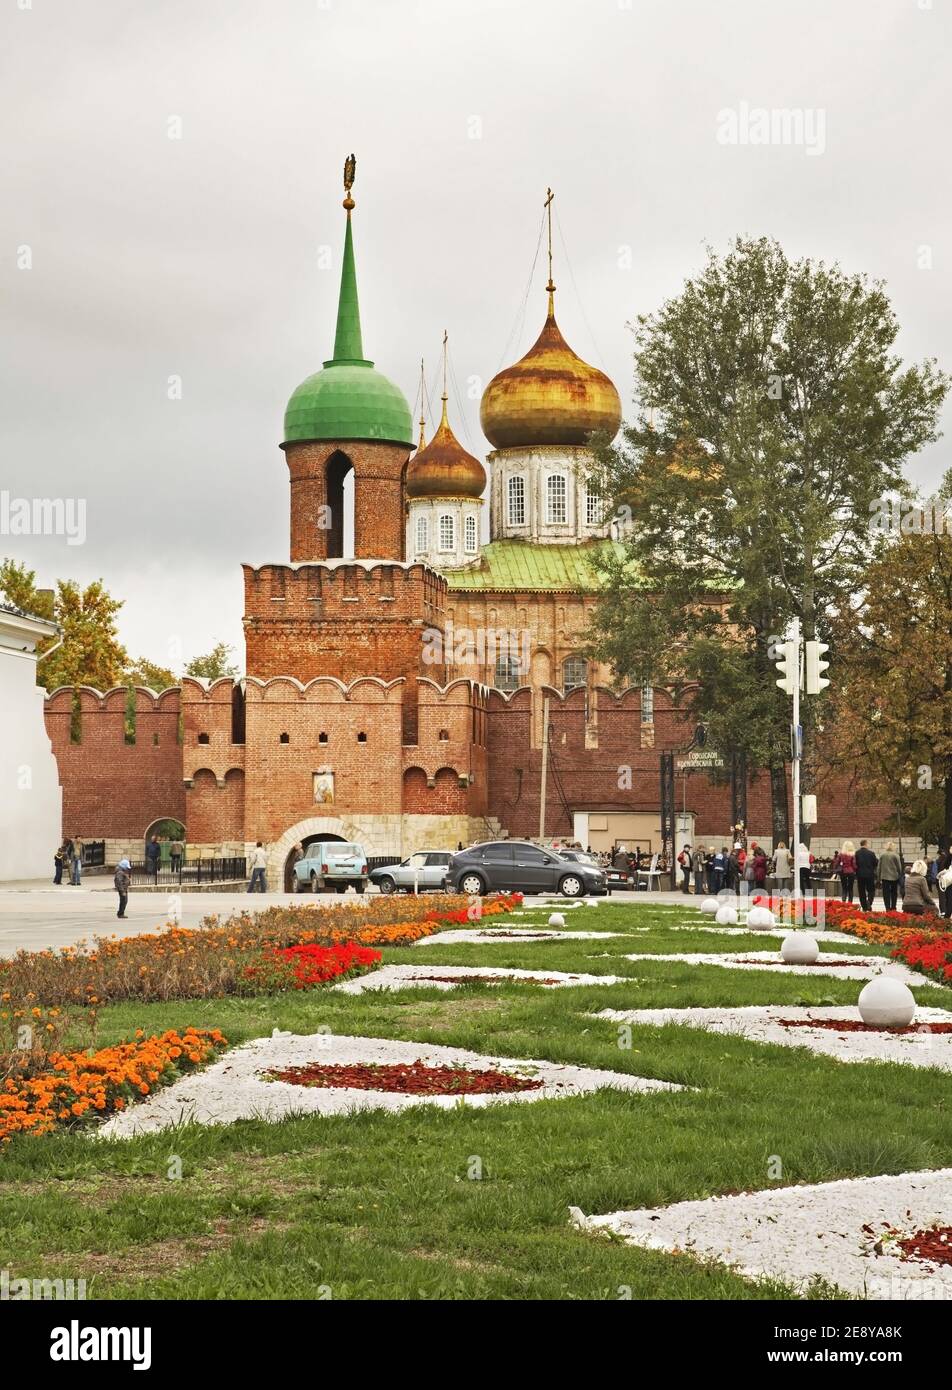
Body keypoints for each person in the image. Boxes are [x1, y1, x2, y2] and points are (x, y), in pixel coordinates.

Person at [878, 841, 902, 912]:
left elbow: (879, 867)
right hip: (894, 876)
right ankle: (893, 907)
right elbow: (899, 867)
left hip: (885, 876)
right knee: (894, 892)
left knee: (886, 893)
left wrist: (878, 877)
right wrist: (900, 874)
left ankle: (887, 907)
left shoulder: (882, 855)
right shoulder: (896, 855)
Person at [855, 840, 878, 913]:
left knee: (861, 891)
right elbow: (875, 863)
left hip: (860, 875)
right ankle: (869, 902)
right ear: (866, 844)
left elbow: (855, 864)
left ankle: (864, 907)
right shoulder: (871, 853)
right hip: (870, 875)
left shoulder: (857, 853)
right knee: (871, 890)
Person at [936, 847, 952, 919]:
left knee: (949, 898)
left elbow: (944, 866)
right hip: (950, 880)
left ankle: (947, 916)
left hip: (949, 880)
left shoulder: (948, 857)